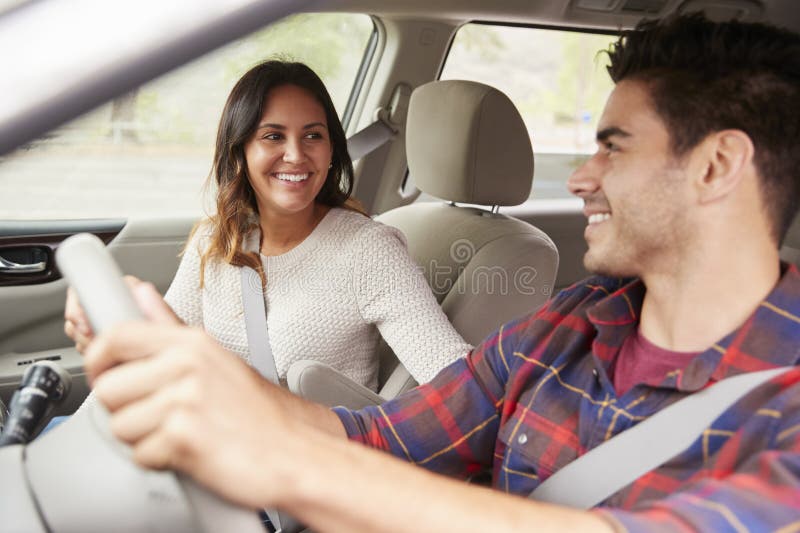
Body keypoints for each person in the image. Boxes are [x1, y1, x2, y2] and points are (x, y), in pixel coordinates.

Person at [80, 13, 800, 532]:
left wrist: (282, 463)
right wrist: (186, 373)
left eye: (613, 148)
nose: (582, 177)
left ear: (716, 166)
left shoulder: (783, 400)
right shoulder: (565, 327)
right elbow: (382, 436)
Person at [66, 60, 471, 390]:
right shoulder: (217, 240)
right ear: (240, 151)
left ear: (331, 151)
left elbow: (456, 377)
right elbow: (157, 355)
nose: (295, 155)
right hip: (213, 449)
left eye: (313, 136)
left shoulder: (368, 250)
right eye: (273, 136)